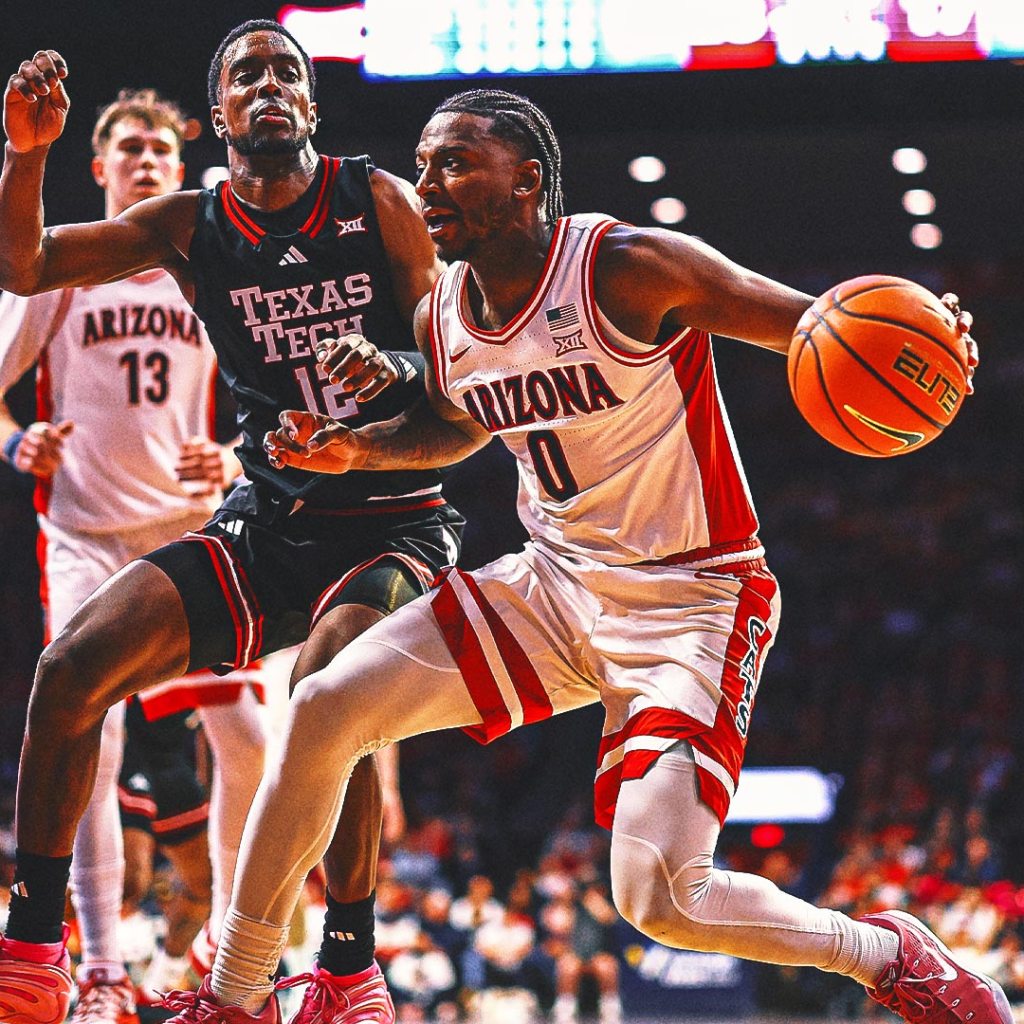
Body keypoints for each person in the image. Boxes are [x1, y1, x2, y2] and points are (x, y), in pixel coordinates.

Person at [175, 87, 1005, 1024]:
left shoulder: (626, 267)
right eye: (424, 161)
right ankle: (239, 991)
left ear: (528, 183)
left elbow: (813, 327)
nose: (427, 180)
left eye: (455, 161)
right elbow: (452, 424)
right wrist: (357, 448)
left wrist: (924, 338)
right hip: (555, 581)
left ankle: (887, 954)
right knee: (324, 705)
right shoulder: (441, 315)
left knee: (661, 896)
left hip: (693, 595)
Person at [0, 21, 463, 1024]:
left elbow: (458, 378)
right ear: (220, 116)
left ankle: (344, 968)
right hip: (265, 521)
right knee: (70, 668)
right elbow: (28, 264)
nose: (269, 85)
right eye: (245, 75)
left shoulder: (374, 200)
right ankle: (39, 948)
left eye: (286, 72)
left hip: (390, 519)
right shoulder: (187, 225)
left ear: (309, 103)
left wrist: (395, 377)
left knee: (324, 691)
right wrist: (27, 154)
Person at [0, 87, 272, 1024]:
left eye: (163, 147)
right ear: (101, 168)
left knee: (254, 740)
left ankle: (231, 951)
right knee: (95, 738)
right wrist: (13, 439)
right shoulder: (66, 267)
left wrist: (235, 451)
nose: (151, 159)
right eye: (133, 148)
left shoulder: (207, 263)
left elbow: (271, 395)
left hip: (190, 527)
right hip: (83, 538)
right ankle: (105, 967)